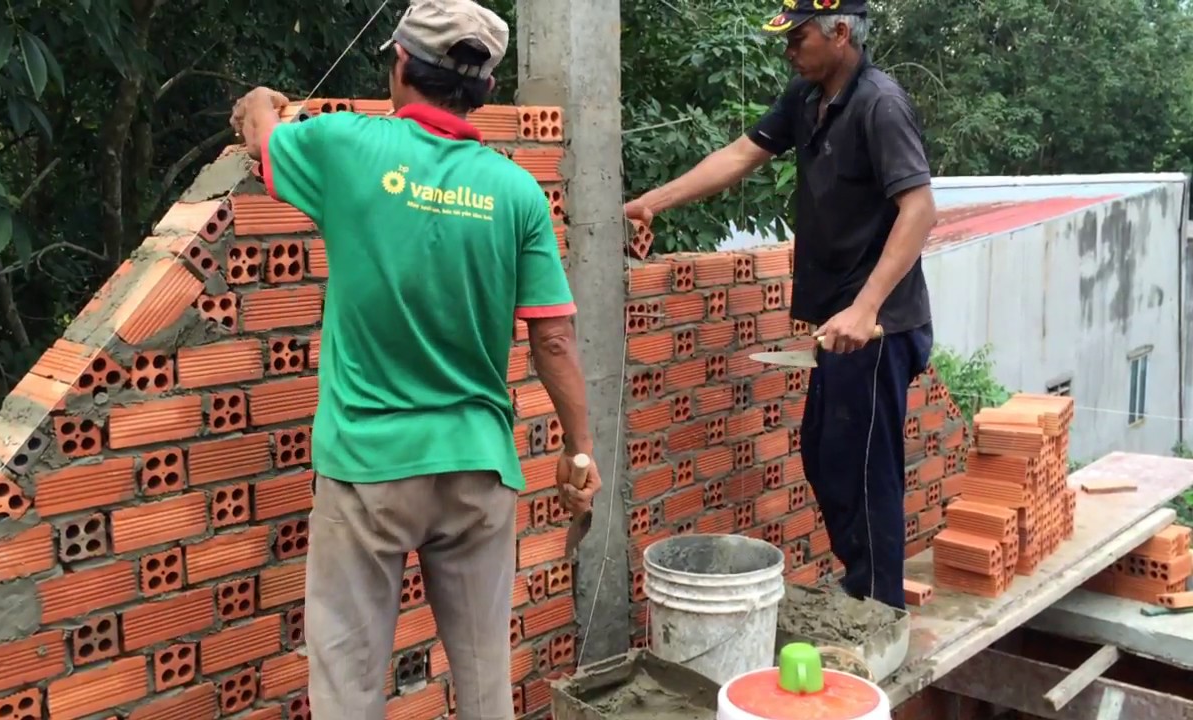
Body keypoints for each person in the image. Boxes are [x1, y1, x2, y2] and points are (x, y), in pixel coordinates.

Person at [229, 1, 602, 716]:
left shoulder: (342, 147)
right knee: (486, 682)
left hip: (367, 469)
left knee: (347, 687)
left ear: (400, 65)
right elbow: (552, 338)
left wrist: (257, 106)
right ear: (486, 92)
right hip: (476, 471)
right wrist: (578, 453)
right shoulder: (516, 190)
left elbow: (262, 138)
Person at [625, 0, 936, 610]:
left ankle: (879, 607)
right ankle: (863, 587)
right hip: (836, 324)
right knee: (823, 454)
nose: (789, 50)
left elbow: (919, 210)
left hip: (876, 328)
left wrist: (867, 307)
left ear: (840, 33)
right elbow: (740, 157)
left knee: (865, 470)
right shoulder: (807, 97)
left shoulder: (880, 104)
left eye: (798, 38)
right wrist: (649, 203)